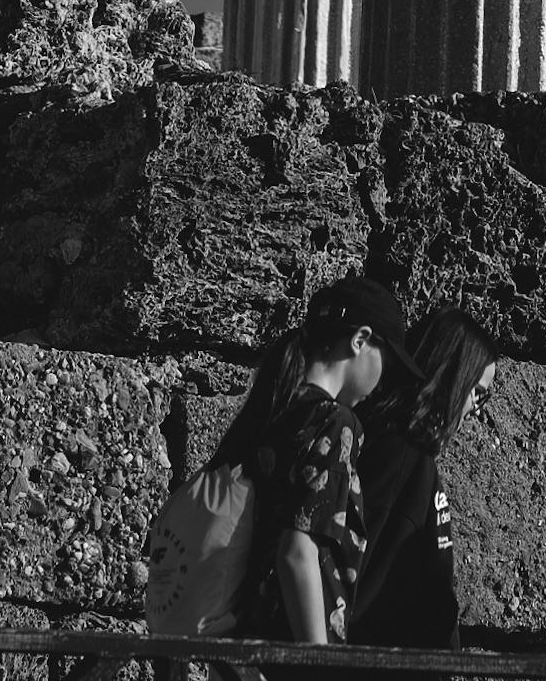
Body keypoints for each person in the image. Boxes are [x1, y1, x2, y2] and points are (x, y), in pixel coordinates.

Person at [208, 276, 418, 645]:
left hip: (236, 645)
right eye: (386, 361)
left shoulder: (275, 410)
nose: (382, 383)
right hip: (286, 652)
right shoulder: (336, 424)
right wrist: (317, 660)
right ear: (360, 340)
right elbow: (297, 552)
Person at [348, 307, 499, 647]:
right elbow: (363, 577)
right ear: (453, 379)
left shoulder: (403, 456)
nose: (476, 409)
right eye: (478, 392)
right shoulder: (400, 461)